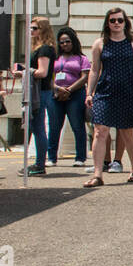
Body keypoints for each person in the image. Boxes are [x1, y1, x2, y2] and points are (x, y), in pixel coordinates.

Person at [83, 7, 133, 187]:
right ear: (107, 23)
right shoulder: (100, 43)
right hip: (105, 92)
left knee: (127, 133)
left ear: (125, 22)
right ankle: (98, 174)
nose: (117, 23)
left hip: (128, 91)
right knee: (100, 131)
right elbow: (94, 70)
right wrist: (90, 92)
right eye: (113, 21)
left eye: (120, 20)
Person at [47, 26, 90, 167]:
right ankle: (51, 158)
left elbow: (85, 77)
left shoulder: (81, 58)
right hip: (56, 94)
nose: (65, 44)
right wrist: (57, 88)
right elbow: (48, 76)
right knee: (54, 126)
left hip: (76, 94)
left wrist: (69, 90)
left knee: (77, 126)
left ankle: (80, 157)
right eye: (62, 42)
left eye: (68, 41)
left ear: (74, 42)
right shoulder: (55, 58)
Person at [27, 18, 57, 175]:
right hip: (41, 90)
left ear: (42, 30)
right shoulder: (41, 48)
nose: (31, 31)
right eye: (30, 28)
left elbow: (42, 72)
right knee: (35, 126)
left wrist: (24, 72)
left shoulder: (45, 49)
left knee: (38, 126)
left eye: (35, 28)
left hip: (41, 91)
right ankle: (39, 163)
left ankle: (40, 164)